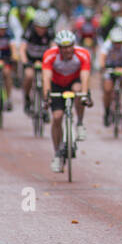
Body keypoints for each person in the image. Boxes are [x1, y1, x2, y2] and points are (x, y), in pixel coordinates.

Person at [41, 29, 92, 172]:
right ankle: (57, 154)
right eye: (64, 47)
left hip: (73, 82)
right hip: (57, 85)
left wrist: (84, 95)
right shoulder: (50, 55)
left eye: (70, 46)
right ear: (58, 48)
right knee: (57, 118)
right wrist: (46, 96)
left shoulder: (83, 54)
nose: (68, 50)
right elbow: (46, 77)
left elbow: (85, 76)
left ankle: (80, 123)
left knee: (78, 90)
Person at [98, 26, 122, 128]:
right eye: (115, 42)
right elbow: (102, 58)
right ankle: (106, 112)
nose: (118, 45)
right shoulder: (106, 45)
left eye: (120, 42)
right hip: (110, 68)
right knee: (107, 89)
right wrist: (102, 66)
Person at [20, 9, 55, 115]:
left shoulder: (50, 32)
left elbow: (53, 48)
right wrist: (25, 62)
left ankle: (46, 105)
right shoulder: (29, 31)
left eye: (44, 27)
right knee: (29, 76)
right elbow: (22, 49)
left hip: (44, 60)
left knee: (48, 79)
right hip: (30, 59)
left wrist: (52, 62)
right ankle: (27, 98)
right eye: (39, 27)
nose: (41, 30)